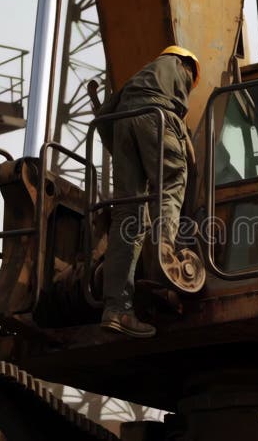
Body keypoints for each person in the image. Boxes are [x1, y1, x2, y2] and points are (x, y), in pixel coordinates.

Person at [96, 46, 200, 338]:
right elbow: (180, 114)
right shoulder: (182, 66)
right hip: (157, 119)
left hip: (120, 126)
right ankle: (165, 256)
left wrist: (123, 152)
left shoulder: (137, 79)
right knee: (171, 184)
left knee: (128, 214)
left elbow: (104, 116)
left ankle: (117, 309)